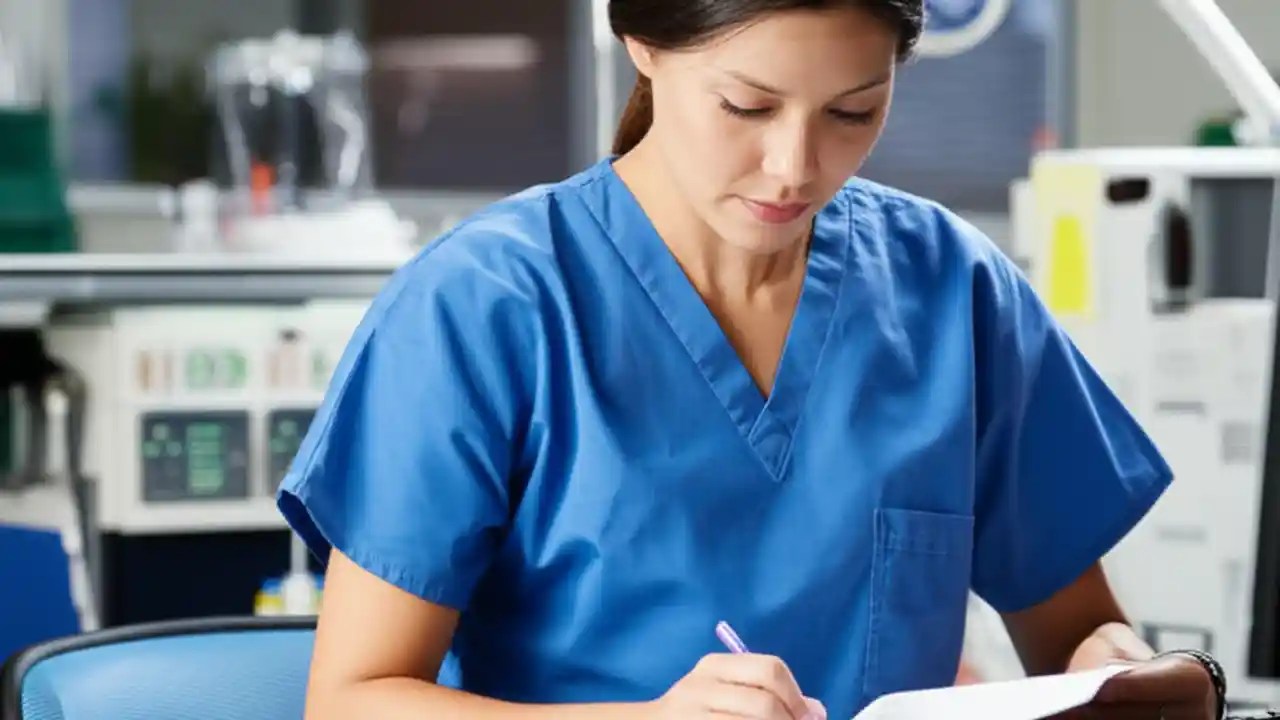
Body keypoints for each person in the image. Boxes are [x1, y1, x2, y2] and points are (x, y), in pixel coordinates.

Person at [277, 2, 1224, 718]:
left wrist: (1123, 672)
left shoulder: (950, 290)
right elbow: (357, 697)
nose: (794, 167)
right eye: (746, 105)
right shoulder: (482, 307)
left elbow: (1074, 641)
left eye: (852, 113)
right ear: (643, 43)